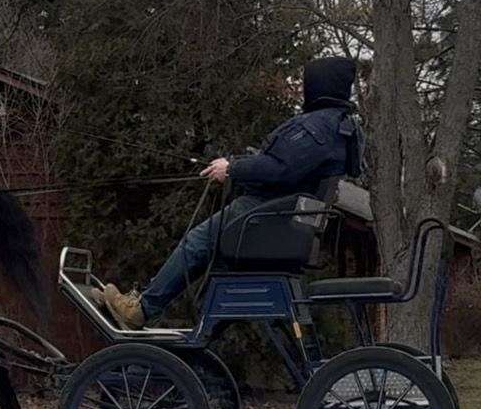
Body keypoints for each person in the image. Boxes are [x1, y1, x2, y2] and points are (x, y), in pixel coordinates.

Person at [95, 56, 364, 330]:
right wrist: (239, 164)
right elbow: (289, 166)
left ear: (318, 84)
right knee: (216, 267)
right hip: (282, 220)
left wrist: (233, 168)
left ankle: (141, 309)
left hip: (265, 215)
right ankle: (200, 340)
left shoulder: (316, 127)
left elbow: (279, 169)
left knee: (197, 243)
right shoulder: (339, 126)